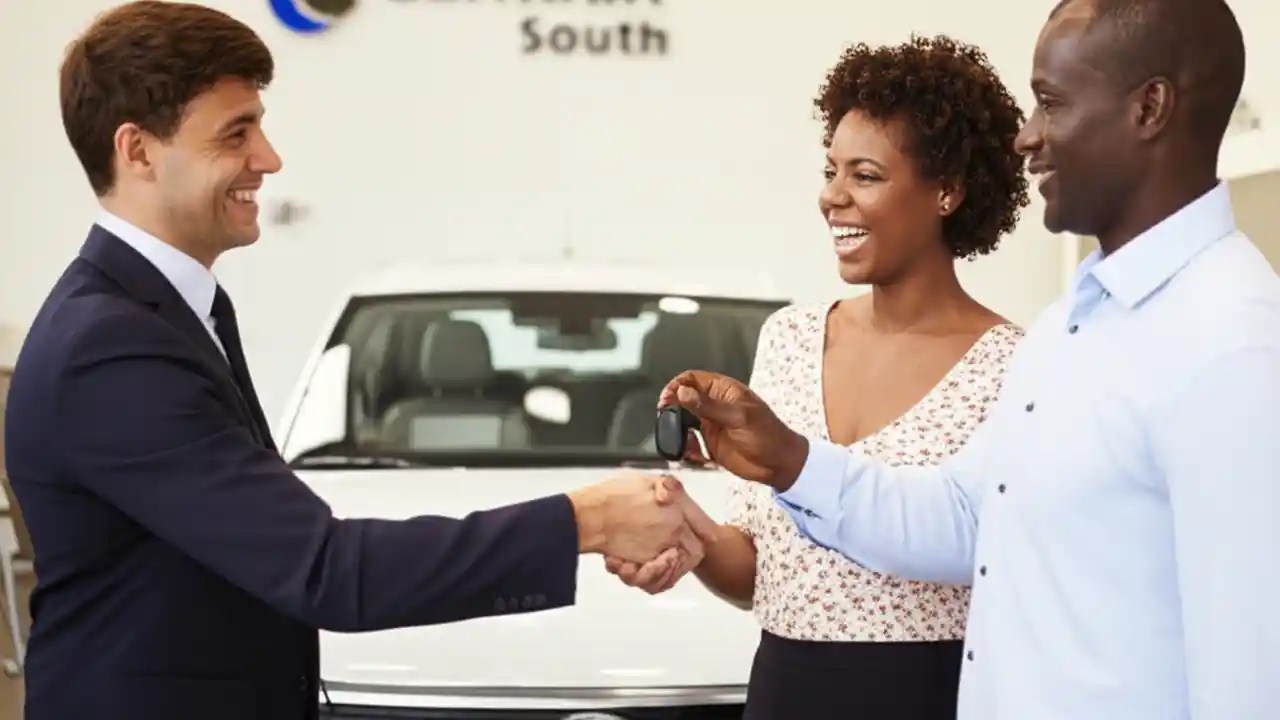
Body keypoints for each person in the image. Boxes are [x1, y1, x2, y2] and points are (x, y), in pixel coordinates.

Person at [1, 3, 713, 718]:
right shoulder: (112, 348)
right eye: (235, 133)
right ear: (139, 151)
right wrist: (584, 519)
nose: (269, 158)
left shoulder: (157, 313)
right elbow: (327, 571)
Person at [647, 0, 1280, 718]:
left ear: (1150, 107)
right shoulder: (1074, 327)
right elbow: (962, 516)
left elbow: (1252, 676)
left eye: (1051, 103)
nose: (1026, 138)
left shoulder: (1234, 343)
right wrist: (789, 458)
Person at [607, 35, 1029, 719]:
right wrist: (687, 536)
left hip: (932, 697)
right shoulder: (790, 337)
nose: (832, 197)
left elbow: (990, 557)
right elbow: (759, 572)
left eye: (864, 175)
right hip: (784, 690)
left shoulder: (1015, 365)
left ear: (947, 190)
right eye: (831, 170)